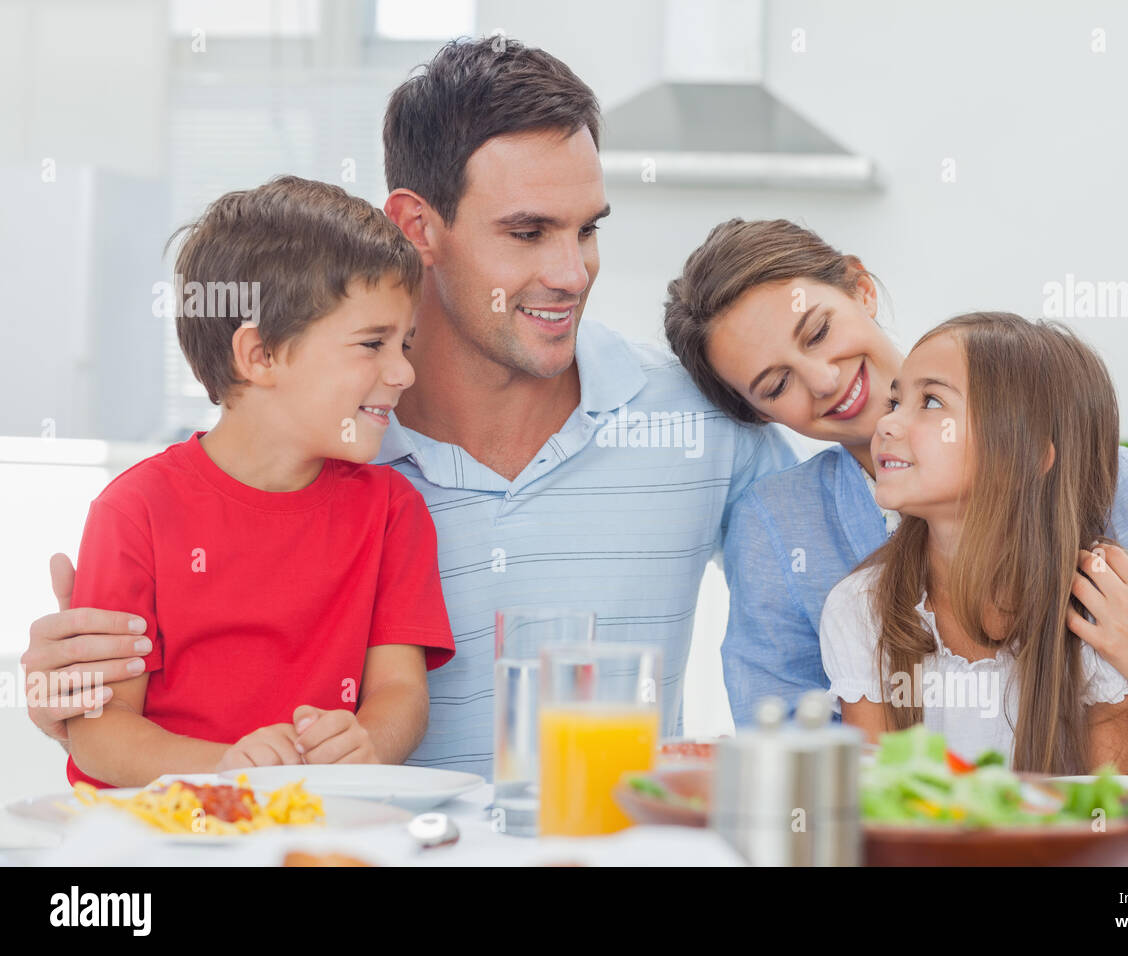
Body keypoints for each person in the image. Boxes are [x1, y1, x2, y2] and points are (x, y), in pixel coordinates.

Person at [23, 39, 799, 779]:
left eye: (587, 229)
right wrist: (79, 690)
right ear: (418, 226)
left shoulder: (700, 421)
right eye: (527, 232)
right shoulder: (315, 442)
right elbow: (134, 691)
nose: (572, 272)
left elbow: (844, 611)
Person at [664, 219, 1128, 726]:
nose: (823, 380)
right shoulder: (778, 525)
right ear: (759, 413)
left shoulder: (1113, 480)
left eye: (819, 331)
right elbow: (781, 745)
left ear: (861, 288)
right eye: (776, 385)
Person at [61, 176, 455, 787]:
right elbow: (99, 730)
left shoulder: (391, 510)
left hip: (318, 832)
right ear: (261, 356)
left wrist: (367, 743)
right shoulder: (134, 511)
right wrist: (225, 770)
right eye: (373, 343)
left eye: (404, 343)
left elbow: (401, 693)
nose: (403, 371)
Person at [820, 312, 1128, 773]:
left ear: (1028, 453)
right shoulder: (860, 607)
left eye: (931, 402)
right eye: (895, 403)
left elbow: (1101, 818)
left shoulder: (1103, 611)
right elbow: (882, 810)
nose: (886, 426)